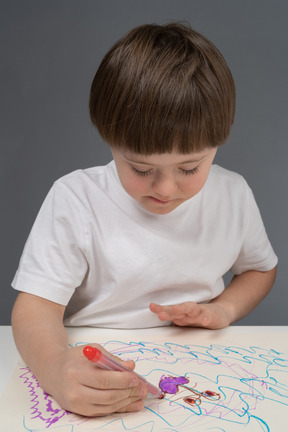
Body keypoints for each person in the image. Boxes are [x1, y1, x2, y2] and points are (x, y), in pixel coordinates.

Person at [11, 22, 277, 417]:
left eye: (190, 168)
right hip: (97, 364)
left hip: (201, 369)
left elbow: (259, 270)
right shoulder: (76, 199)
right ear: (109, 140)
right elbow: (34, 307)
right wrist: (54, 368)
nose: (165, 189)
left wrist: (224, 310)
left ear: (217, 145)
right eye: (140, 167)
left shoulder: (233, 194)